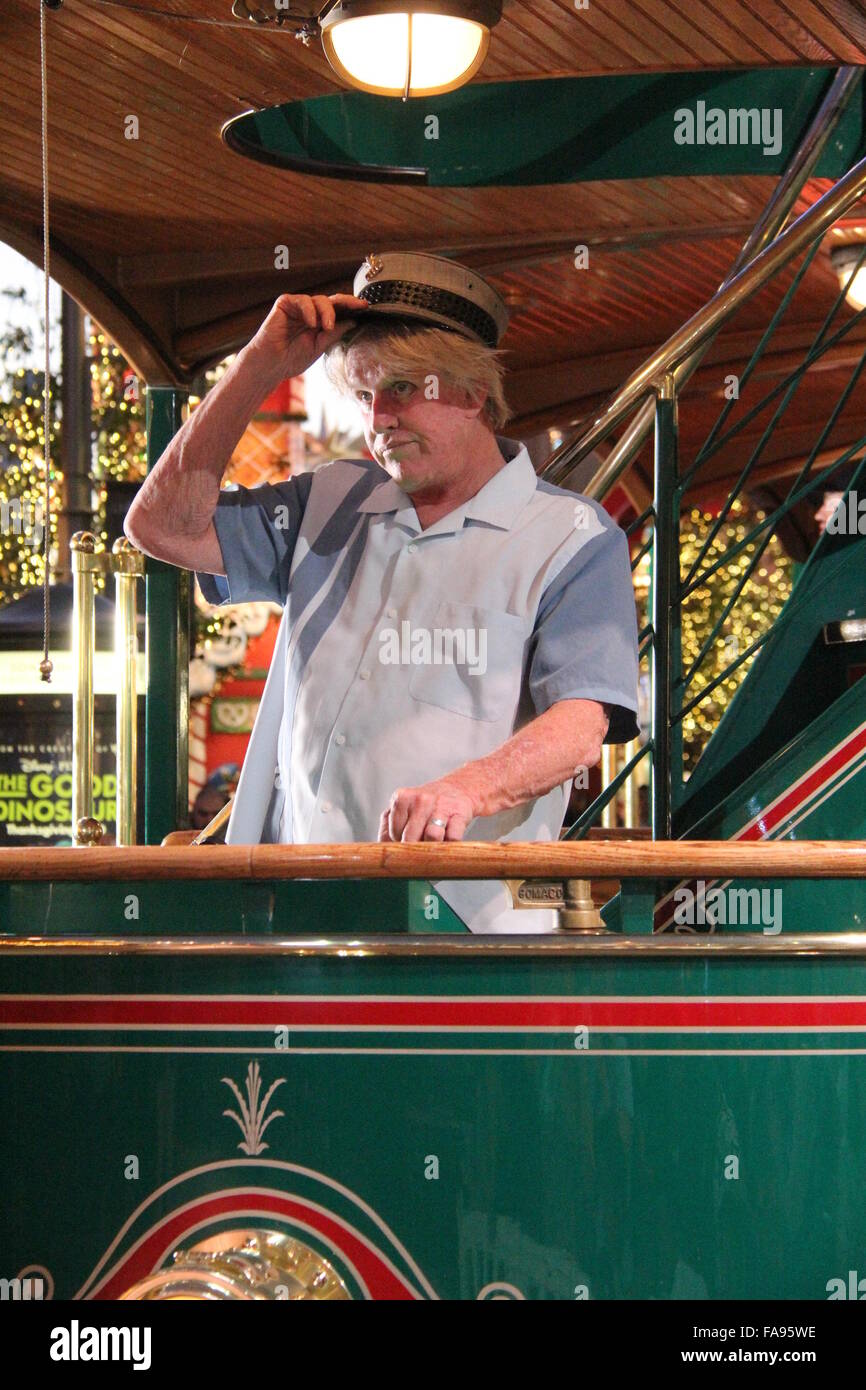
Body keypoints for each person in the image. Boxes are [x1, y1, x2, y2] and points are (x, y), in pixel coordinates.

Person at [124, 252, 640, 932]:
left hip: (464, 930)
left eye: (401, 388)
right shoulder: (332, 499)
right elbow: (160, 527)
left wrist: (467, 789)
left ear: (473, 392)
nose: (380, 419)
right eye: (365, 398)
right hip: (297, 915)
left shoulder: (570, 535)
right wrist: (257, 367)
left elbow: (581, 728)